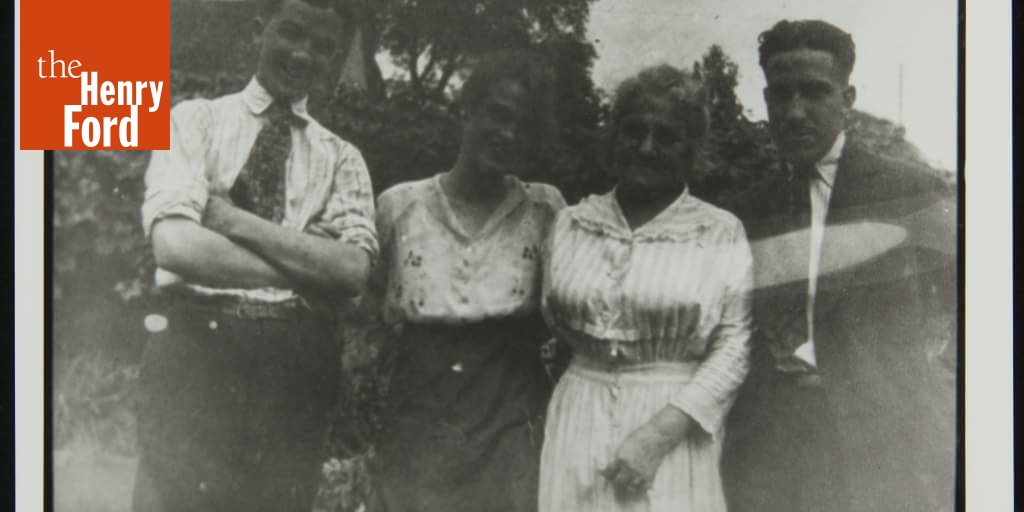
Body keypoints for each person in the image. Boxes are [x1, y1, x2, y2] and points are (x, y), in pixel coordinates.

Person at [133, 0, 378, 510]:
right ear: (257, 32)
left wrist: (230, 221)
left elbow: (353, 270)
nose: (303, 54)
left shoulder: (342, 159)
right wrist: (307, 267)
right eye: (291, 33)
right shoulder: (194, 121)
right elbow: (175, 245)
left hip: (295, 363)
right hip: (196, 348)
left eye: (322, 47)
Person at [721, 19, 957, 512]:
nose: (795, 111)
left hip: (881, 446)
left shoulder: (907, 189)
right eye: (780, 95)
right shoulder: (747, 210)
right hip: (770, 447)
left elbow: (969, 303)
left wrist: (923, 390)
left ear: (847, 99)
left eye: (814, 93)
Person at [539, 65, 754, 512]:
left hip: (675, 424)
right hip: (578, 416)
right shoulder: (573, 223)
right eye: (633, 131)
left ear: (691, 148)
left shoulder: (718, 231)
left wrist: (658, 437)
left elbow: (735, 347)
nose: (647, 148)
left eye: (667, 136)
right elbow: (551, 326)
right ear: (614, 138)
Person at [367, 50, 566, 512]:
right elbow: (368, 309)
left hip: (510, 421)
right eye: (498, 114)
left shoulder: (544, 211)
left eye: (524, 125)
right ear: (467, 109)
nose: (507, 133)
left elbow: (563, 317)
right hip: (419, 417)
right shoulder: (400, 207)